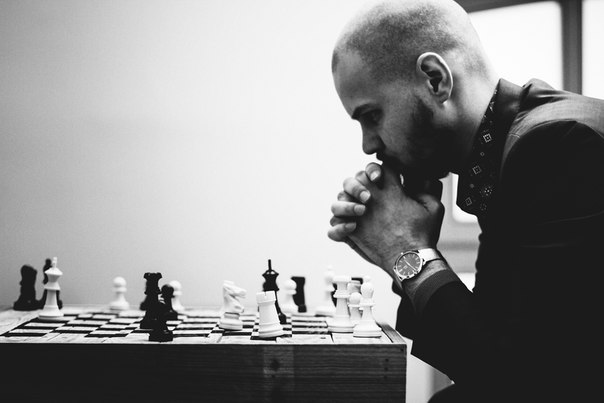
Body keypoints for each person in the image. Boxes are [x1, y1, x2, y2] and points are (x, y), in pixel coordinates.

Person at [327, 0, 604, 402]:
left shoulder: (557, 146)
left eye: (372, 116)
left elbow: (520, 381)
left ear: (435, 79)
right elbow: (490, 347)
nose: (369, 145)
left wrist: (405, 250)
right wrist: (408, 248)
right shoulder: (507, 153)